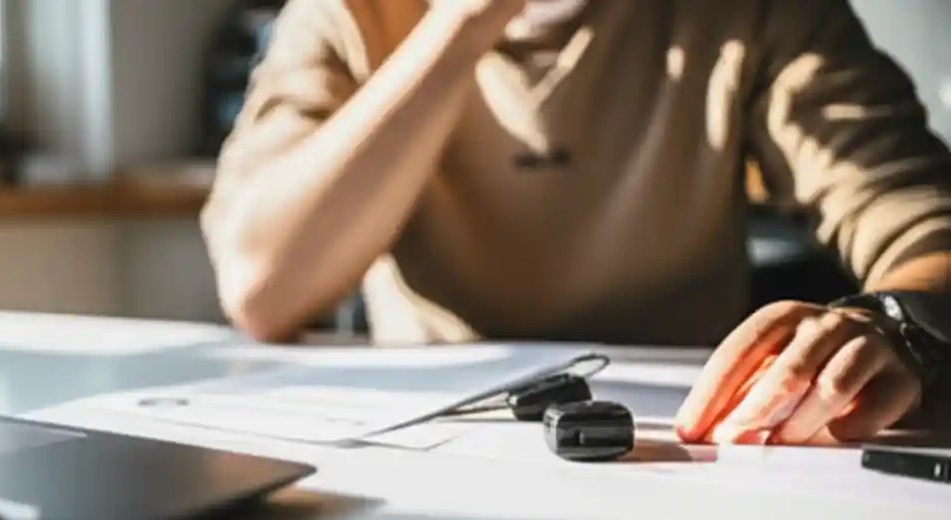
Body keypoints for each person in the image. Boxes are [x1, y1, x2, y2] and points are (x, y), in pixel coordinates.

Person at [201, 0, 951, 446]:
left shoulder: (750, 11)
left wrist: (891, 323)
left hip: (688, 449)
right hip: (425, 446)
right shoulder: (349, 13)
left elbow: (922, 218)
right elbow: (263, 286)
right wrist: (462, 21)